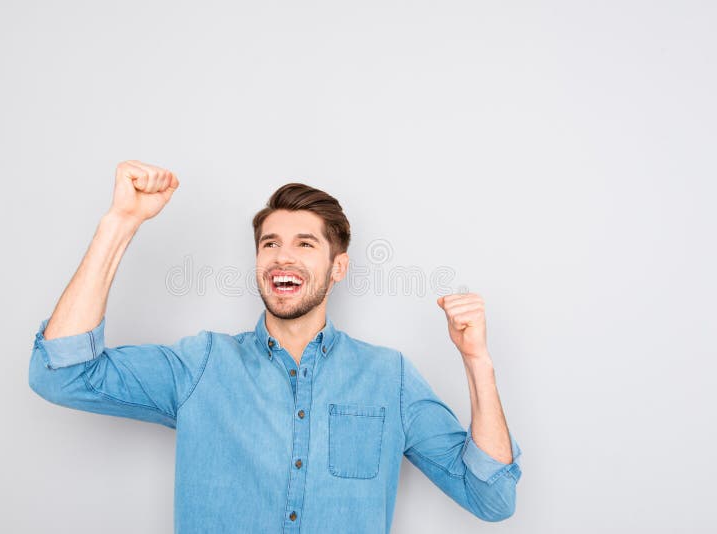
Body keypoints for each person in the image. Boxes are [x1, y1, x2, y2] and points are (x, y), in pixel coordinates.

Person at [28, 160, 523, 533]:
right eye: (270, 243)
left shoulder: (388, 377)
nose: (282, 256)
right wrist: (120, 223)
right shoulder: (201, 365)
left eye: (305, 244)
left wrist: (476, 360)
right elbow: (61, 374)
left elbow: (491, 497)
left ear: (339, 267)